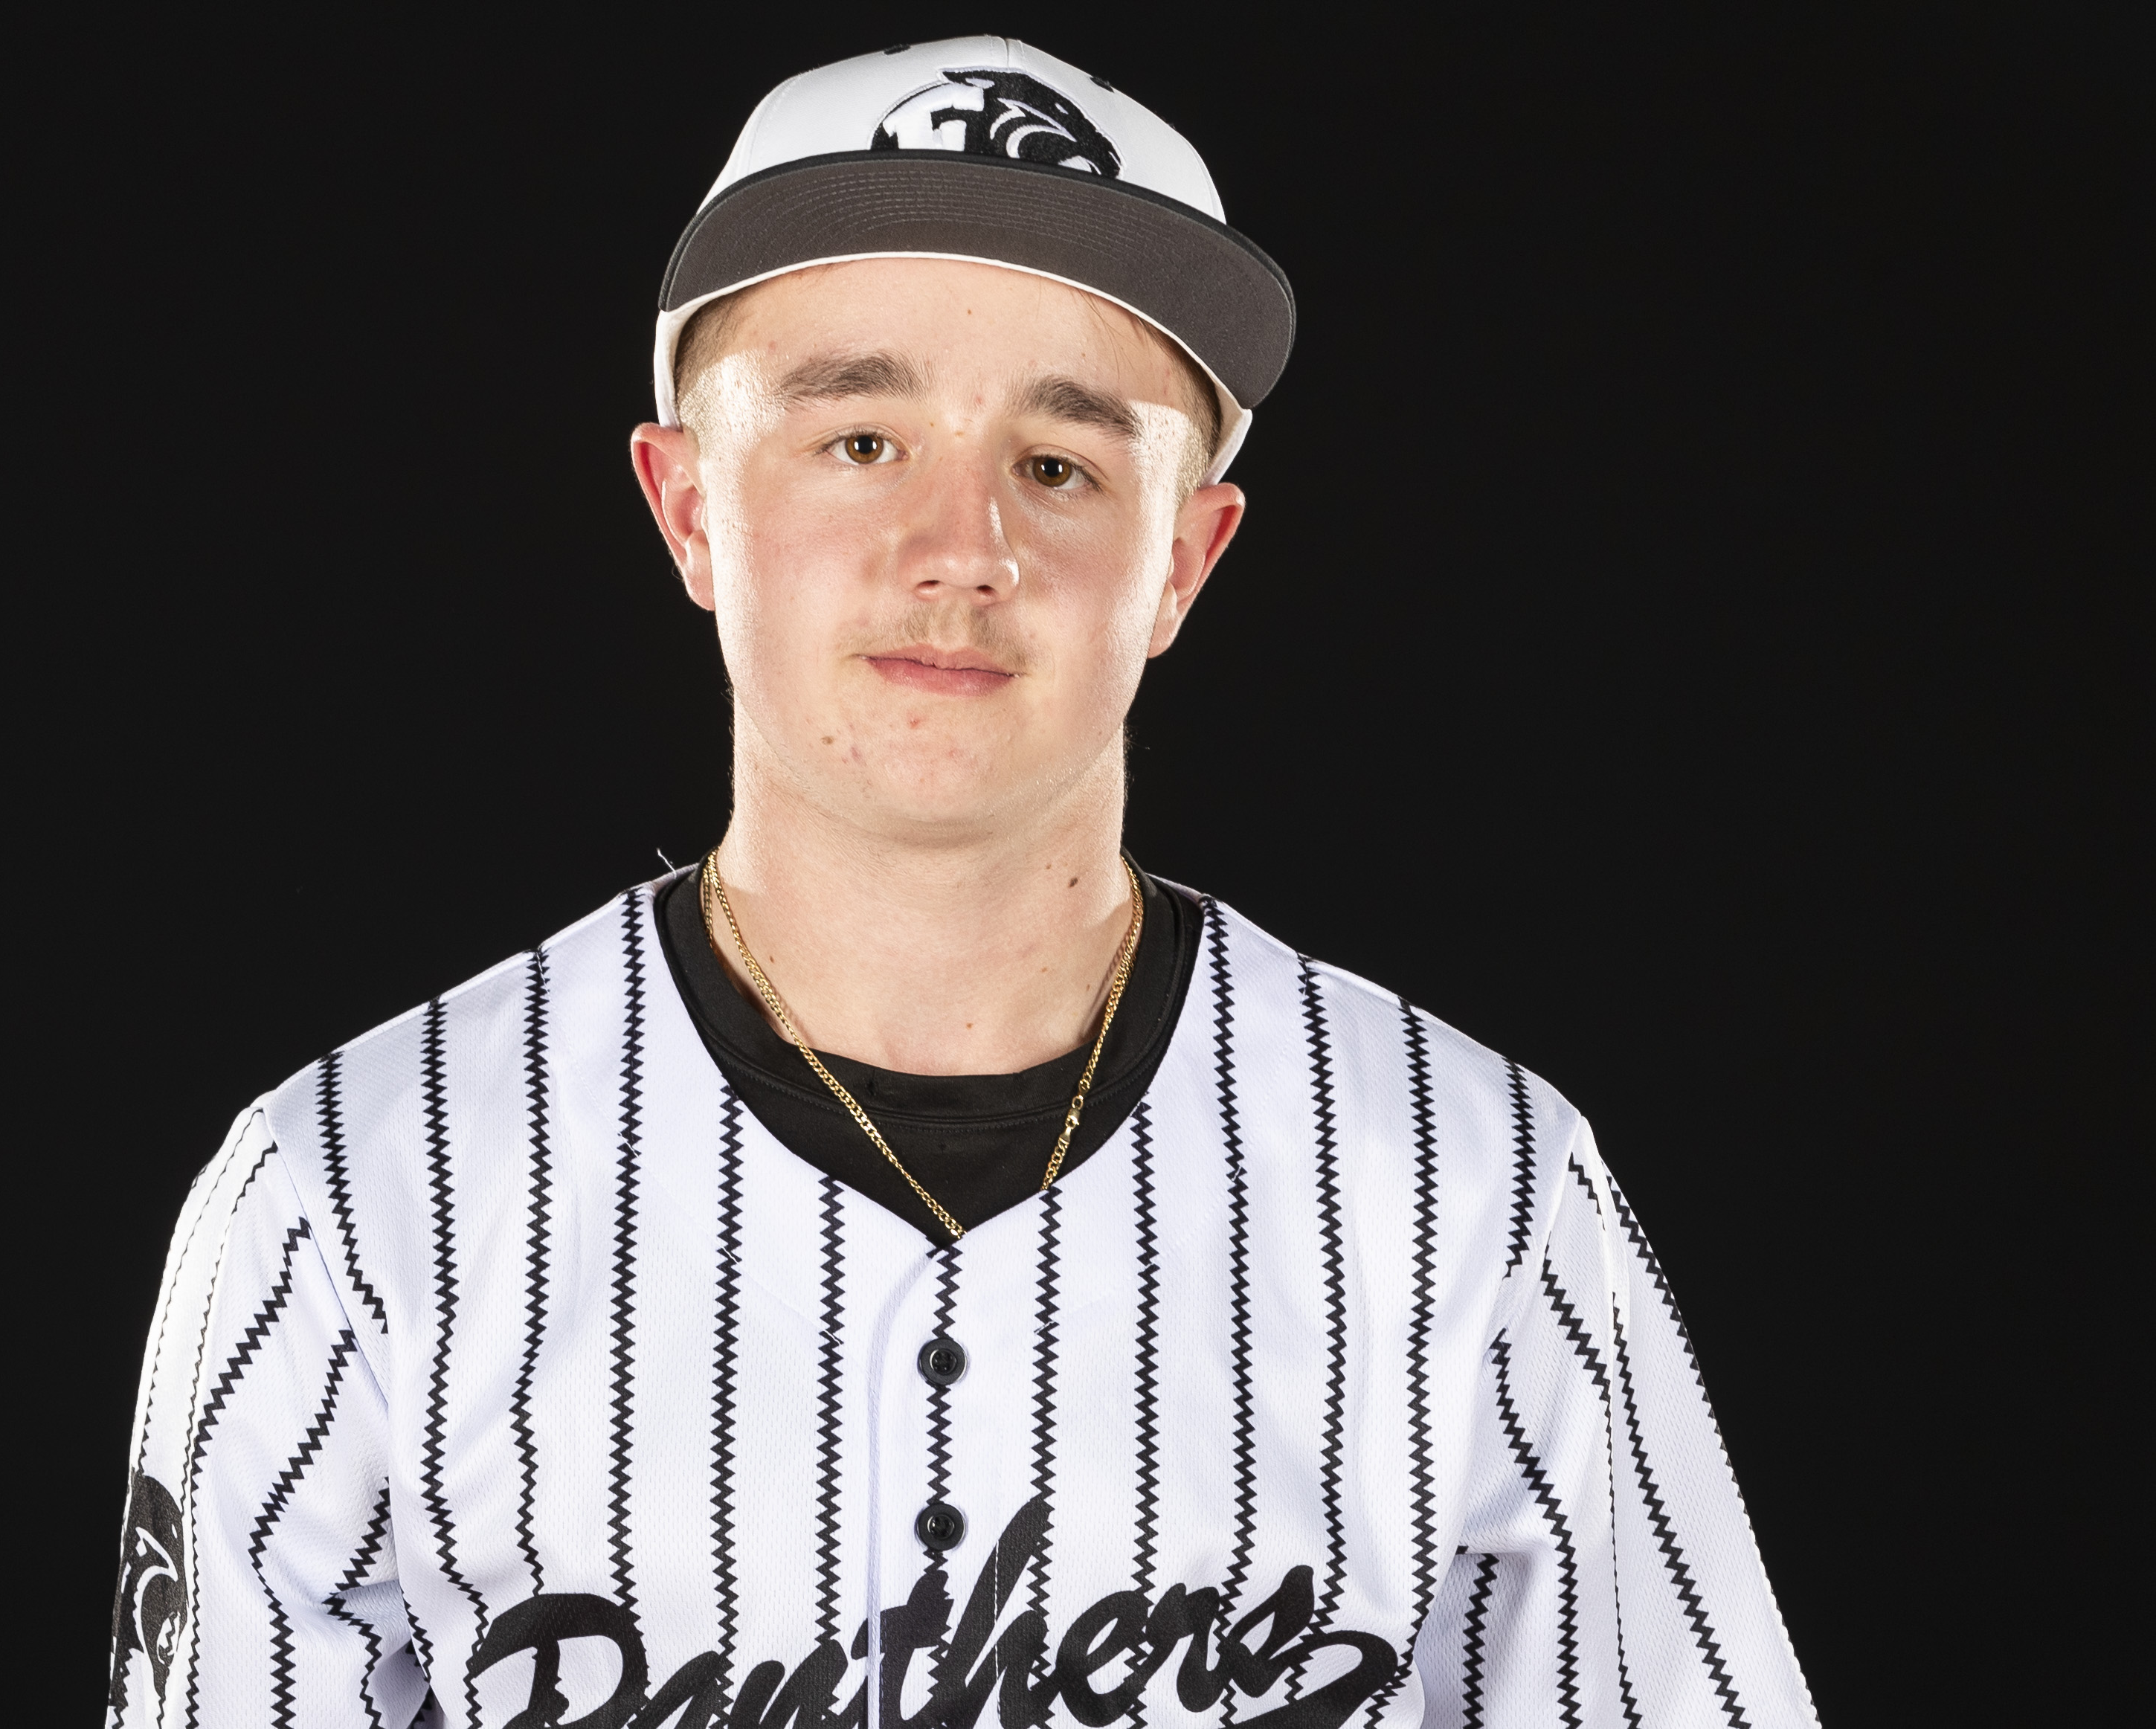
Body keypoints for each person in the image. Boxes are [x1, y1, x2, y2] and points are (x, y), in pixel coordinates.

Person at [109, 38, 1815, 1729]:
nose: (960, 552)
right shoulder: (351, 1190)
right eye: (861, 439)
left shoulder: (1474, 1182)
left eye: (1058, 466)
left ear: (1184, 558)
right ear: (688, 506)